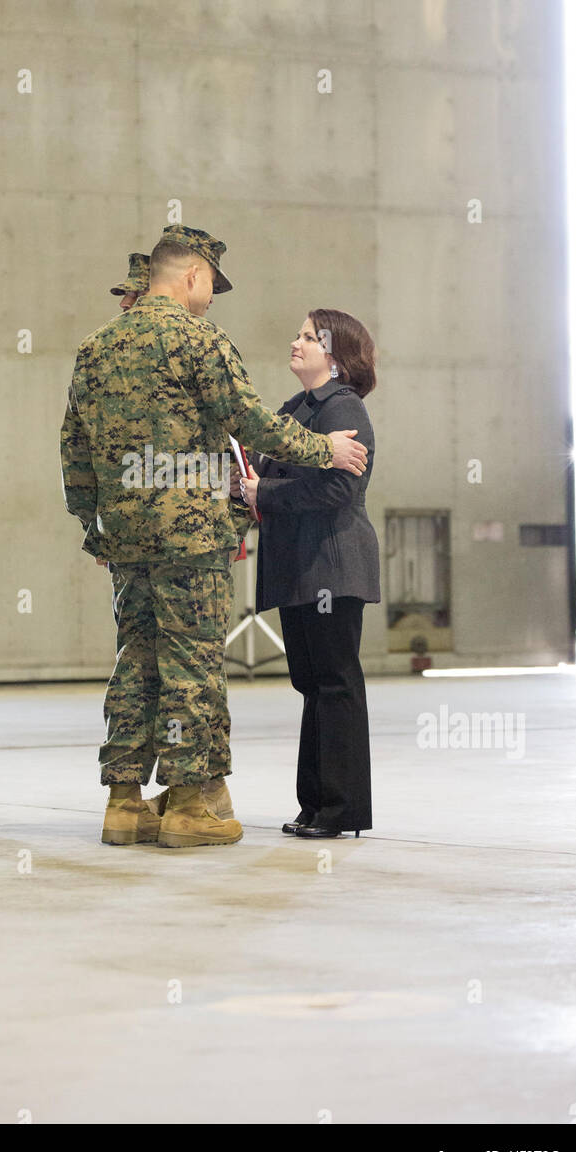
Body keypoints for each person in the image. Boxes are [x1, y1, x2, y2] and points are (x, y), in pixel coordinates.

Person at [60, 225, 369, 849]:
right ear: (195, 275)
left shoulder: (96, 346)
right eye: (211, 287)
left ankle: (123, 803)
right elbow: (249, 419)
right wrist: (322, 449)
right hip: (190, 534)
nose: (211, 300)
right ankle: (191, 805)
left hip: (125, 536)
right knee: (192, 664)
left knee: (135, 661)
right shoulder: (199, 340)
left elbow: (74, 448)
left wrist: (97, 527)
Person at [235, 309, 379, 839]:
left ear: (336, 359)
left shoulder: (345, 409)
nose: (295, 343)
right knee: (312, 684)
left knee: (335, 684)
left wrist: (263, 494)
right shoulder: (294, 409)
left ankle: (341, 810)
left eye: (308, 337)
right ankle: (316, 803)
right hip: (301, 566)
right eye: (296, 333)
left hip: (332, 567)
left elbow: (342, 490)